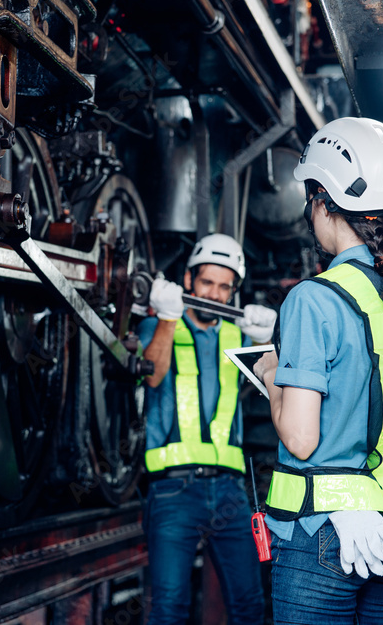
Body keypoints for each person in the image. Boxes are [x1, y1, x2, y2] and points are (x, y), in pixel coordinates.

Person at [251, 118, 383, 624]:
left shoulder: (312, 298)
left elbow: (300, 438)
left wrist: (272, 376)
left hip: (324, 534)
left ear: (321, 200)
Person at [137, 233, 275, 625]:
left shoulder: (239, 337)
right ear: (188, 280)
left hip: (230, 492)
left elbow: (277, 391)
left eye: (223, 286)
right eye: (206, 283)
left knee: (249, 606)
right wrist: (166, 318)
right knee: (168, 609)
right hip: (172, 492)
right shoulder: (159, 326)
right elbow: (152, 375)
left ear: (233, 291)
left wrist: (267, 343)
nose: (213, 294)